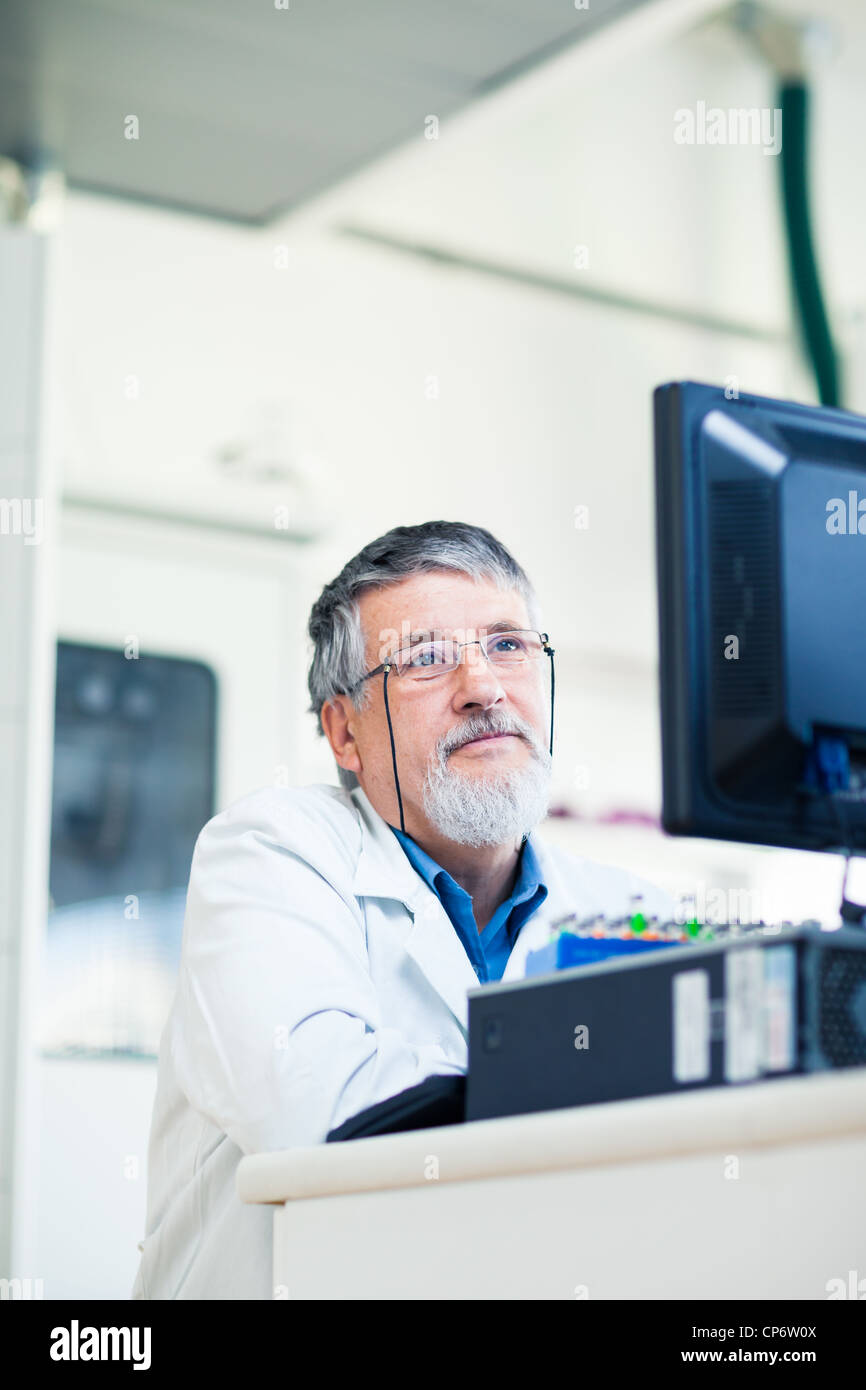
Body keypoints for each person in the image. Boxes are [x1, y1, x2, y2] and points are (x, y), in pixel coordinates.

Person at [132, 520, 672, 1299]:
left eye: (509, 645)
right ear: (345, 732)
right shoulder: (271, 852)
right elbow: (316, 1106)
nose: (484, 687)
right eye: (424, 659)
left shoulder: (630, 911)